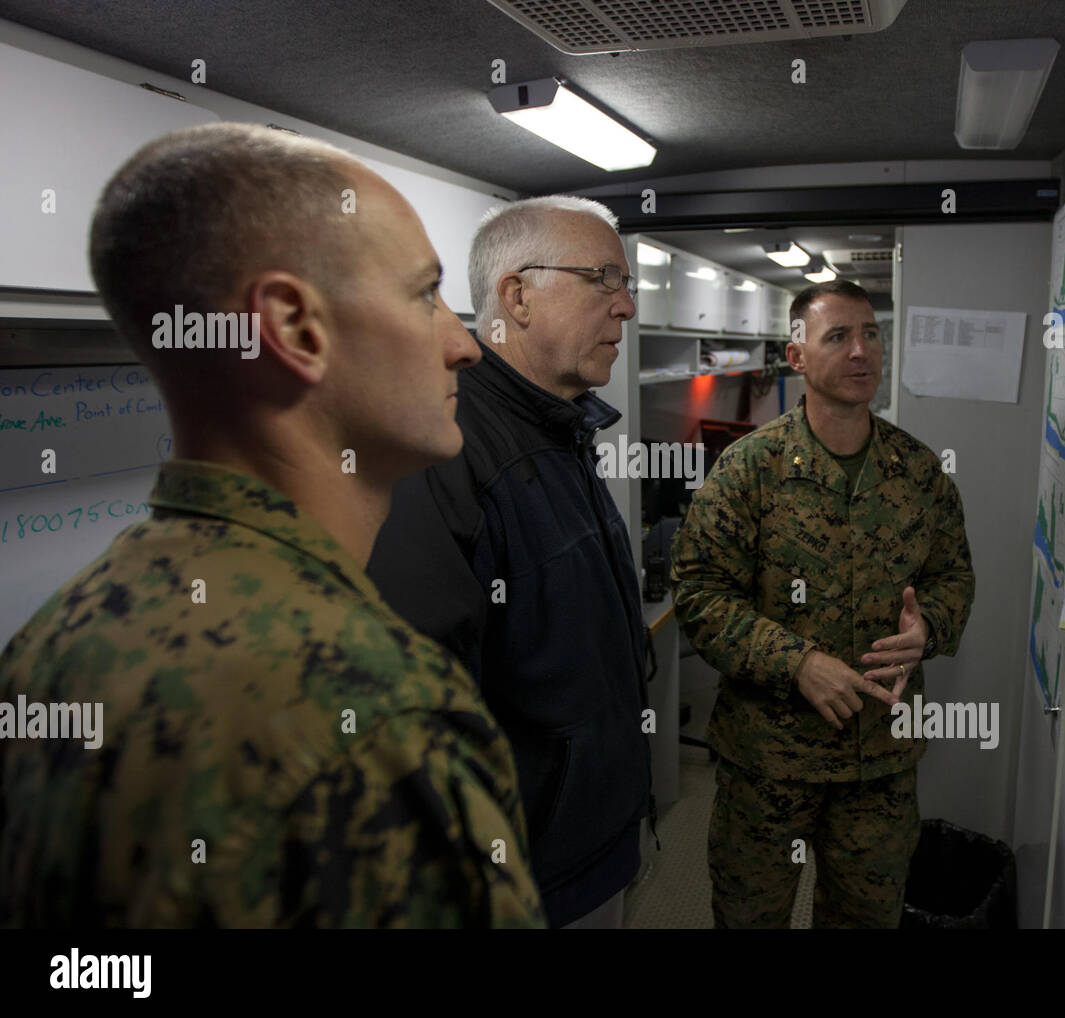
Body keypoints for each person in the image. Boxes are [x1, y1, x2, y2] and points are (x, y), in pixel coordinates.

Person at [0, 123, 545, 928]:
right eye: (423, 293)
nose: (461, 345)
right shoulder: (378, 711)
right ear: (294, 328)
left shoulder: (54, 640)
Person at [368, 195, 651, 929]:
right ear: (516, 297)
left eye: (628, 287)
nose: (624, 308)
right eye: (602, 280)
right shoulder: (446, 451)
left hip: (588, 841)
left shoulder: (560, 428)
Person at [670, 278, 975, 928]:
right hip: (769, 764)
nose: (862, 351)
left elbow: (954, 577)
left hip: (880, 767)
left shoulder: (919, 474)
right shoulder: (749, 471)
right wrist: (796, 662)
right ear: (797, 356)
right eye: (838, 336)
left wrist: (931, 628)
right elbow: (698, 594)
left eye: (871, 334)